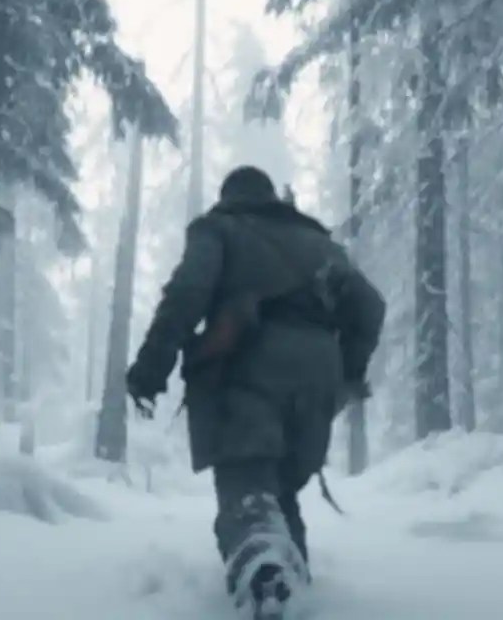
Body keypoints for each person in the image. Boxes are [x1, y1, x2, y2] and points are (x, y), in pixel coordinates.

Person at [126, 166, 386, 617]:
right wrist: (346, 373)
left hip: (250, 367)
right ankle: (296, 589)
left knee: (247, 488)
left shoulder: (219, 228)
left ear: (230, 197)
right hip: (318, 374)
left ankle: (267, 576)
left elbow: (188, 292)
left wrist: (151, 368)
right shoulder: (322, 244)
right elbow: (370, 305)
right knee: (281, 493)